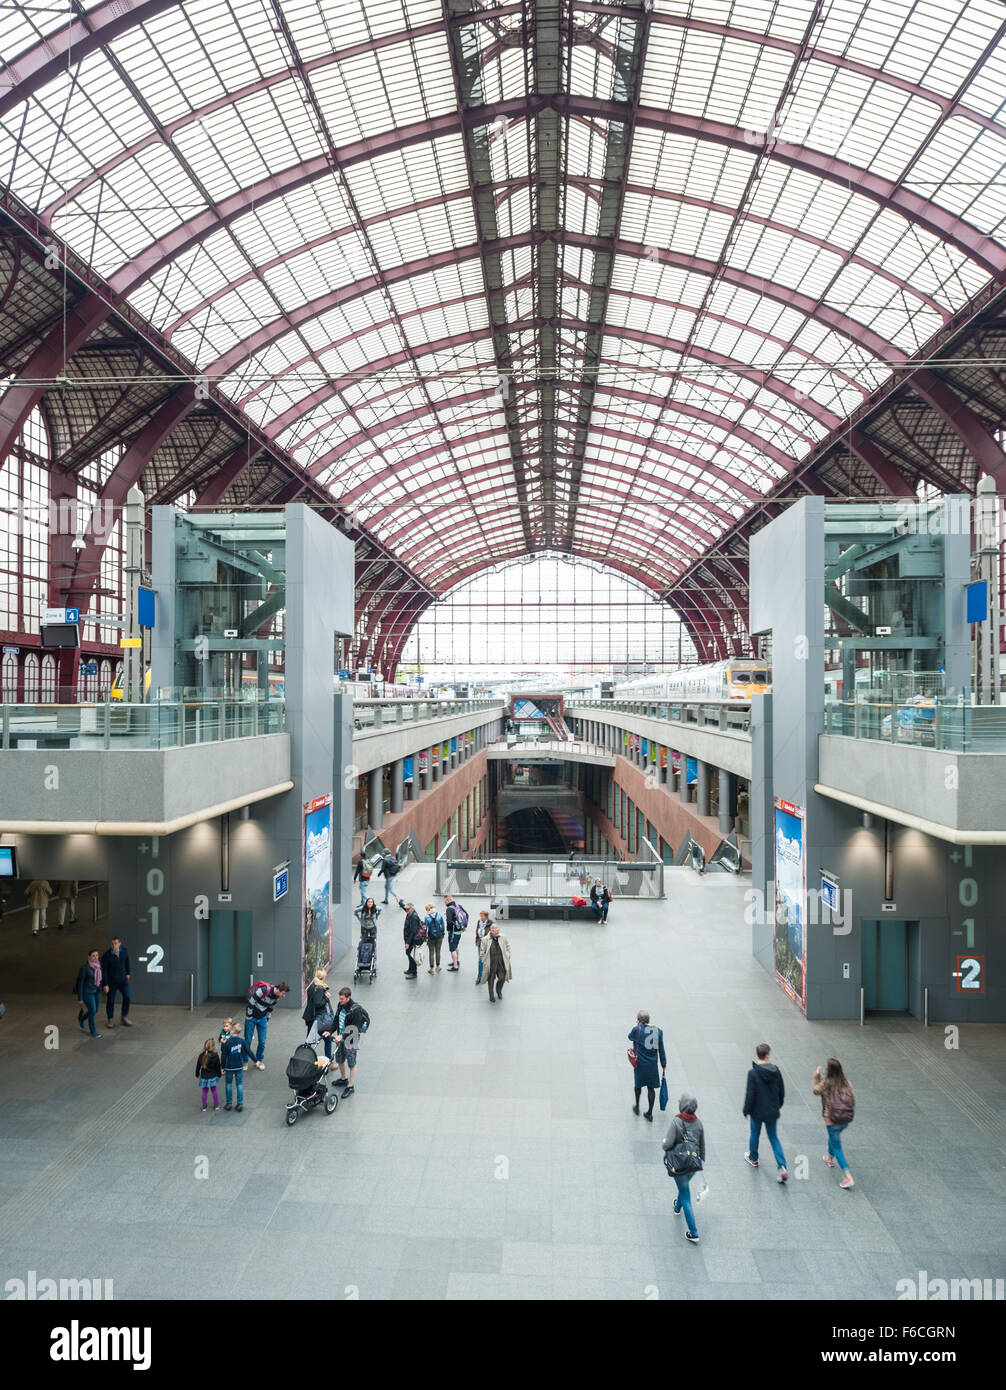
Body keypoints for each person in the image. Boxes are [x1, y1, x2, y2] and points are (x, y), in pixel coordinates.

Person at [663, 1093, 705, 1244]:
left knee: (686, 1195)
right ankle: (676, 1206)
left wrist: (664, 1144)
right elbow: (702, 1146)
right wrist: (701, 1162)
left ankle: (693, 1232)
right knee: (684, 1188)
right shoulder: (698, 1123)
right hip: (693, 1163)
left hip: (680, 1164)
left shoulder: (676, 1121)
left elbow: (667, 1144)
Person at [743, 1042, 788, 1182]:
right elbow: (782, 1091)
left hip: (757, 1112)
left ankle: (753, 1158)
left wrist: (746, 1110)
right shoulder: (776, 1071)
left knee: (755, 1134)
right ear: (768, 1055)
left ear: (758, 1054)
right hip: (772, 1111)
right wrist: (779, 1104)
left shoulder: (753, 1073)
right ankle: (782, 1167)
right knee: (774, 1138)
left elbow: (750, 1094)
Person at [813, 1058, 856, 1190]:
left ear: (829, 1070)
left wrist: (816, 1076)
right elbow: (853, 1100)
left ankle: (848, 1176)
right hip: (845, 1119)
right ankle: (829, 1157)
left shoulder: (826, 1082)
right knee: (834, 1138)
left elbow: (815, 1090)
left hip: (832, 1120)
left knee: (837, 1147)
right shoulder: (846, 1083)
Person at [322, 987, 370, 1098]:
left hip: (351, 1039)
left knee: (351, 1063)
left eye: (342, 999)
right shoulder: (341, 1006)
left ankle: (350, 1086)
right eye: (339, 998)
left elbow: (355, 1029)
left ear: (348, 998)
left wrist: (342, 1036)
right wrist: (329, 1031)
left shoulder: (355, 1010)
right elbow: (336, 1021)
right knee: (339, 1059)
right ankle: (343, 1079)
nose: (340, 1001)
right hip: (340, 1037)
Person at [628, 1010, 666, 1122]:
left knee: (638, 1086)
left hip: (639, 1064)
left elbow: (630, 1037)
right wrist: (663, 1064)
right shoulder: (658, 1031)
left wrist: (637, 1026)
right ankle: (649, 1113)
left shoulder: (637, 1030)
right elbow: (661, 1049)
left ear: (639, 1021)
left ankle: (637, 1106)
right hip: (652, 1065)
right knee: (651, 1088)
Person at [243, 979, 290, 1070]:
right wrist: (249, 1015)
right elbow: (251, 1001)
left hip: (262, 1019)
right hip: (251, 1018)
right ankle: (245, 1061)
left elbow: (270, 1009)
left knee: (262, 1042)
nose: (283, 996)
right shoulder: (264, 990)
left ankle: (259, 1061)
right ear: (278, 990)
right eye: (283, 993)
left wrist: (267, 1019)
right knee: (247, 1041)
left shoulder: (276, 998)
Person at [220, 1023, 253, 1111]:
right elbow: (249, 1051)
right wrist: (256, 1060)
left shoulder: (227, 1042)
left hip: (229, 1066)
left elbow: (223, 1055)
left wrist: (222, 1067)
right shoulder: (242, 1041)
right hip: (239, 1066)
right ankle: (240, 1104)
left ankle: (229, 1103)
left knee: (228, 1084)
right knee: (239, 1084)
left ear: (232, 1031)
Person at [101, 936, 132, 1028]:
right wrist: (105, 984)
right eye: (112, 943)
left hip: (123, 981)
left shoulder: (124, 951)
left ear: (119, 943)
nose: (113, 945)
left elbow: (127, 961)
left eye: (115, 943)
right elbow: (104, 971)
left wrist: (128, 973)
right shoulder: (106, 956)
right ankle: (110, 1020)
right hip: (111, 983)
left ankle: (124, 1017)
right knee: (111, 1001)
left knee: (127, 997)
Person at [303, 967, 334, 1059]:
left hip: (310, 1017)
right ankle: (328, 1061)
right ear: (323, 977)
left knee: (309, 1040)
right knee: (328, 1039)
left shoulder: (312, 986)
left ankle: (304, 1058)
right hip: (319, 1018)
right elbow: (317, 1003)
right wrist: (326, 998)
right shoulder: (320, 988)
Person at [480, 923, 511, 1003]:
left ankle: (498, 991)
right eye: (496, 931)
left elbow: (508, 946)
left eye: (498, 931)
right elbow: (482, 952)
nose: (498, 933)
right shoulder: (485, 940)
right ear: (492, 931)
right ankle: (491, 995)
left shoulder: (503, 937)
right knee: (490, 979)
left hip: (501, 962)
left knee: (502, 978)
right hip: (491, 963)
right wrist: (484, 961)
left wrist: (508, 955)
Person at [75, 949, 103, 1038]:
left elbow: (101, 978)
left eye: (97, 955)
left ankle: (82, 1019)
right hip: (87, 992)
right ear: (89, 957)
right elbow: (80, 984)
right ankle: (93, 1031)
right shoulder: (84, 968)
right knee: (93, 1010)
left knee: (95, 1010)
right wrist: (80, 998)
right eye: (93, 956)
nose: (95, 957)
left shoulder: (99, 966)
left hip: (97, 991)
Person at [397, 897, 423, 979]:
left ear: (412, 909)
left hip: (412, 940)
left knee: (412, 956)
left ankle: (414, 973)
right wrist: (400, 903)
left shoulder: (413, 917)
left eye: (408, 909)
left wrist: (408, 943)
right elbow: (405, 908)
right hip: (408, 939)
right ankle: (410, 969)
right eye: (406, 909)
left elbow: (413, 931)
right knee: (409, 954)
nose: (406, 910)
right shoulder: (410, 913)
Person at [195, 1038, 222, 1113]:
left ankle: (204, 1106)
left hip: (204, 1076)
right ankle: (216, 1105)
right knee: (214, 1090)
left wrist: (196, 1074)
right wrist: (219, 1075)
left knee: (204, 1091)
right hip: (212, 1076)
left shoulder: (201, 1055)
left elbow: (198, 1066)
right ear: (213, 1047)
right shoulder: (215, 1056)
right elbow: (218, 1066)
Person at [423, 902, 445, 974]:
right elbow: (442, 925)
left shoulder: (426, 917)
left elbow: (425, 928)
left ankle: (431, 969)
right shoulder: (438, 915)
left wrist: (425, 937)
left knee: (431, 952)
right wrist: (443, 933)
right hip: (439, 936)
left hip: (431, 937)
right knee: (438, 951)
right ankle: (438, 967)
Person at [444, 895, 465, 971]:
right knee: (456, 946)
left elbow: (449, 921)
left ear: (448, 900)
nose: (444, 903)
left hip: (453, 931)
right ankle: (456, 961)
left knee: (452, 949)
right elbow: (467, 915)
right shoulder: (458, 906)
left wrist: (448, 930)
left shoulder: (449, 909)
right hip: (459, 930)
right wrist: (464, 926)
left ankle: (455, 966)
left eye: (445, 901)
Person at [474, 909, 491, 985]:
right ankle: (479, 977)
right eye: (480, 916)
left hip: (487, 944)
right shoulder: (479, 922)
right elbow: (477, 932)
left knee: (488, 960)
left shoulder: (490, 923)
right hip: (480, 943)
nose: (481, 917)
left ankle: (490, 975)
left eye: (482, 916)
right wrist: (477, 940)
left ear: (486, 916)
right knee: (480, 960)